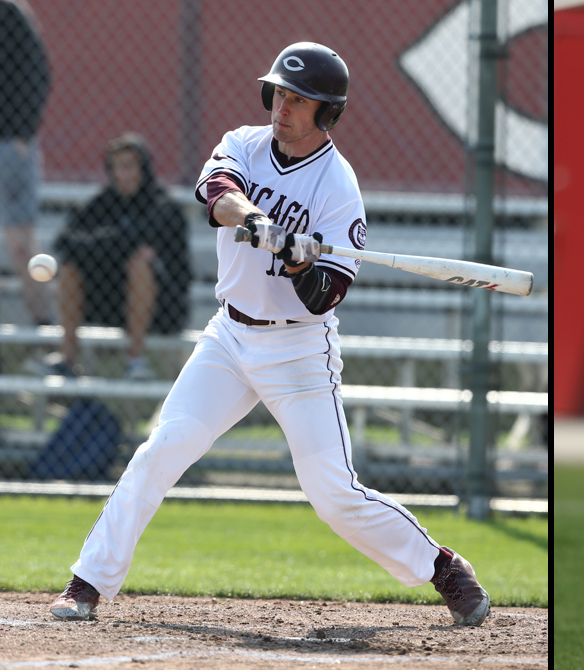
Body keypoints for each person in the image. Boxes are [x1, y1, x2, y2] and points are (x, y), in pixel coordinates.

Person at [48, 42, 490, 627]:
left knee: (333, 494)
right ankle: (87, 582)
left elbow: (326, 297)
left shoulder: (338, 188)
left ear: (325, 112)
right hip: (228, 339)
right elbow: (219, 194)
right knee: (161, 450)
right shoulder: (244, 143)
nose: (283, 106)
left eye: (299, 99)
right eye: (280, 93)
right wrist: (261, 222)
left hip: (299, 352)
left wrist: (304, 261)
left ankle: (443, 569)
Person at [46, 134, 191, 379]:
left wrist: (100, 247)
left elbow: (138, 236)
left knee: (139, 263)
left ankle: (135, 360)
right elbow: (64, 242)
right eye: (116, 167)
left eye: (129, 166)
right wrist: (120, 243)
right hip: (112, 303)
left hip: (164, 310)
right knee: (69, 267)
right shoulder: (103, 202)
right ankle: (67, 358)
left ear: (143, 168)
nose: (123, 174)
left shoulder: (164, 206)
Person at [0, 0, 52, 326]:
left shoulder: (8, 12)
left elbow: (38, 73)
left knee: (21, 242)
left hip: (8, 143)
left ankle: (44, 328)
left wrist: (21, 131)